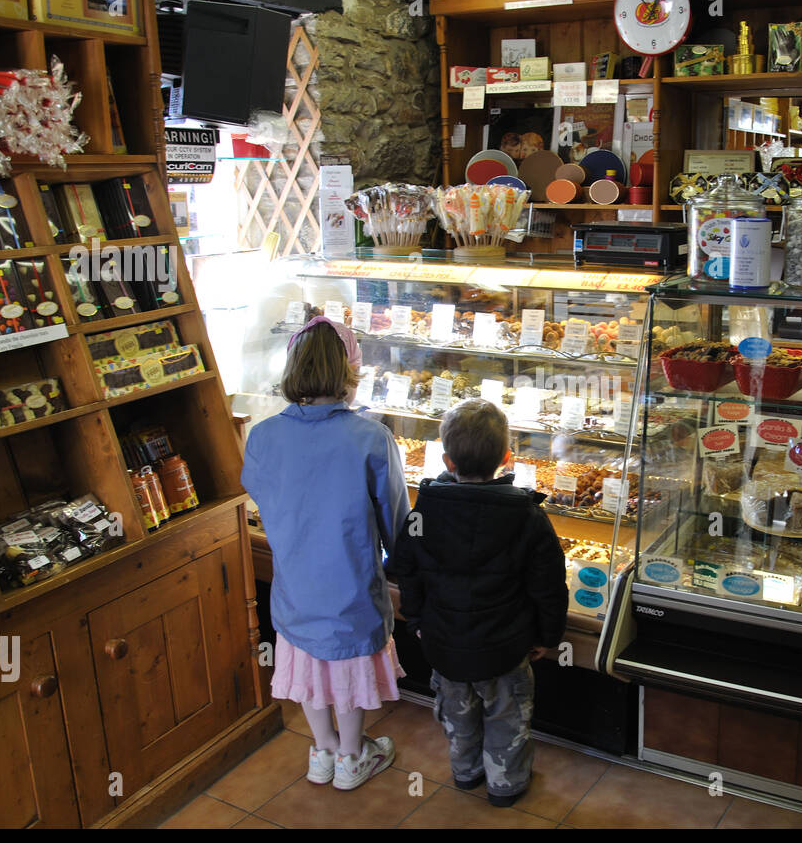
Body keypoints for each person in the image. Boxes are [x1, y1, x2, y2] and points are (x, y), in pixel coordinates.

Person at [241, 316, 409, 791]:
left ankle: (324, 751)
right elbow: (396, 516)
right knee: (347, 661)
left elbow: (260, 493)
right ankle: (353, 756)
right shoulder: (371, 438)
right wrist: (405, 567)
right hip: (352, 584)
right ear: (349, 373)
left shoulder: (263, 434)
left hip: (294, 582)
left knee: (306, 660)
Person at [388, 399, 568, 807]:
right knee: (508, 718)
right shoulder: (528, 517)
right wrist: (548, 634)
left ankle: (466, 771)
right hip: (507, 647)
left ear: (447, 460)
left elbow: (407, 571)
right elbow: (548, 584)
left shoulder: (422, 512)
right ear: (506, 459)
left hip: (443, 644)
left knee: (457, 714)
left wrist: (415, 619)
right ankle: (505, 784)